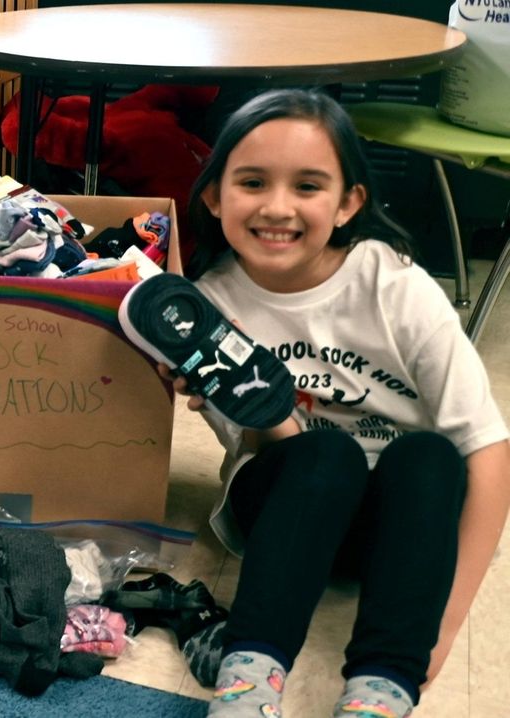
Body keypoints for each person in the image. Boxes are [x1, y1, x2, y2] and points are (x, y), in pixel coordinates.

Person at [172, 88, 510, 717]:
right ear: (214, 195)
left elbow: (489, 450)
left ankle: (381, 692)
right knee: (326, 454)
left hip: (398, 526)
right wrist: (242, 405)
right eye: (252, 181)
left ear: (349, 202)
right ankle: (245, 688)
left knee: (432, 456)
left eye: (307, 186)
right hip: (285, 507)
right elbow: (272, 448)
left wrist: (442, 626)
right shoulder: (207, 306)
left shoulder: (397, 287)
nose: (278, 207)